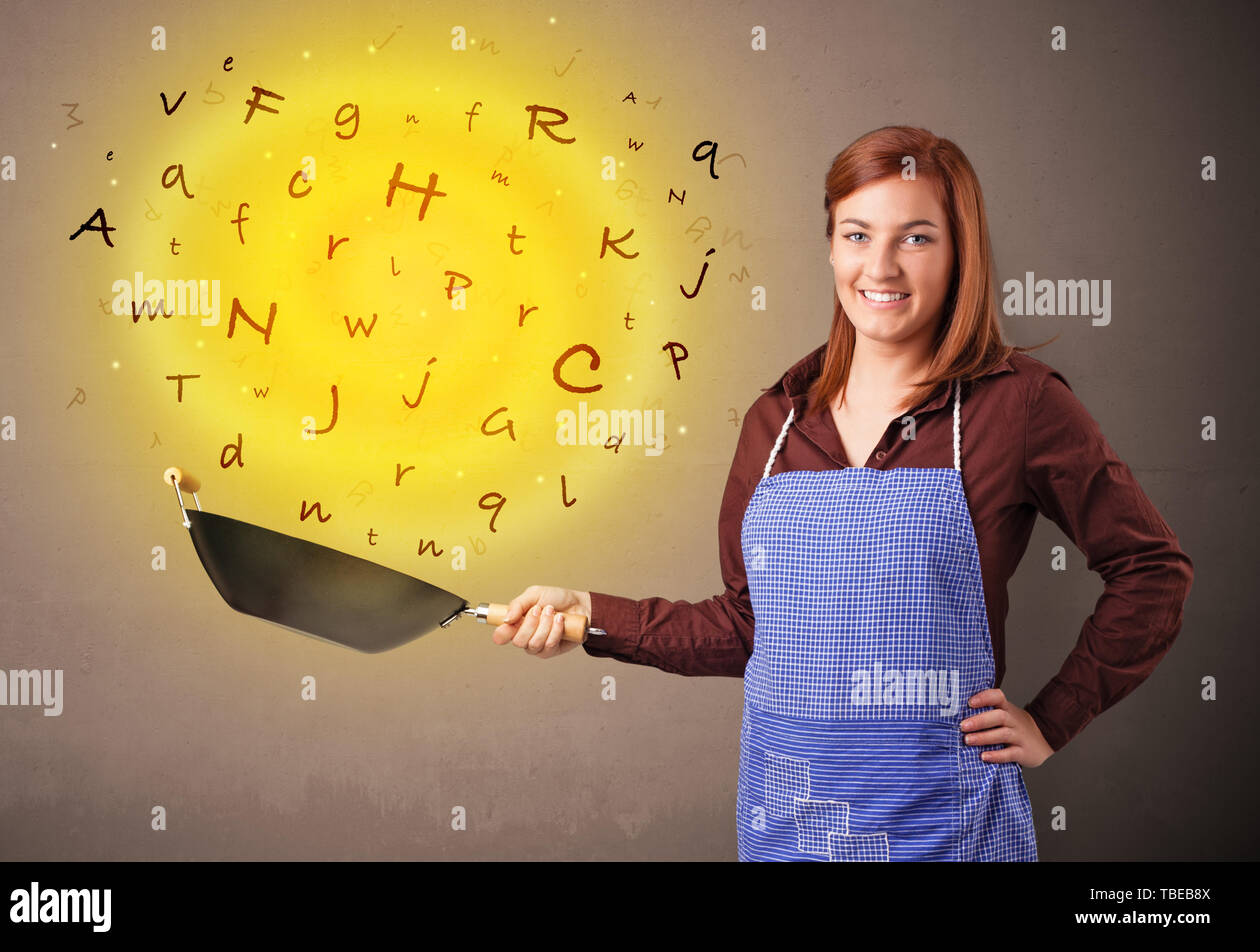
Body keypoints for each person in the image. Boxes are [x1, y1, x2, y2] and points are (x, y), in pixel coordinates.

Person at [490, 125, 1193, 861]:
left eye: (916, 238)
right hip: (786, 826)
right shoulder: (777, 418)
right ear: (830, 246)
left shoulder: (1016, 405)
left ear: (960, 255)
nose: (880, 265)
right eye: (857, 234)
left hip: (945, 829)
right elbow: (750, 627)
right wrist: (592, 617)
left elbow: (1152, 570)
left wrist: (1054, 718)